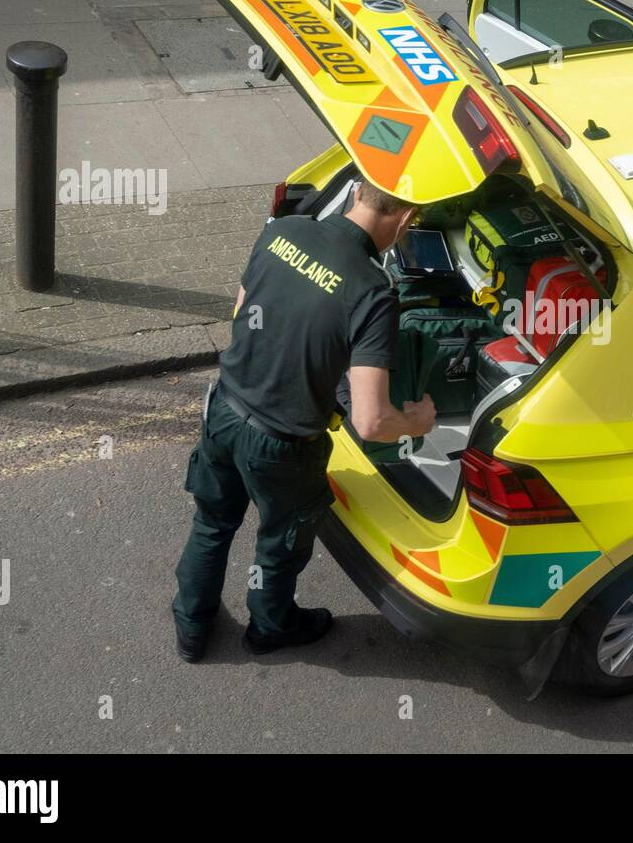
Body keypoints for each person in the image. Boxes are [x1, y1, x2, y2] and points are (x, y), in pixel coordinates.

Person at [171, 179, 436, 661]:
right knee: (279, 544)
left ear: (356, 193)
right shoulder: (374, 292)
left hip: (225, 409)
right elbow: (373, 421)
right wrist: (418, 422)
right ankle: (270, 628)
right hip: (283, 446)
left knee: (211, 523)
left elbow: (242, 309)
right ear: (405, 220)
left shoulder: (285, 231)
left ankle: (191, 627)